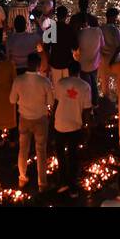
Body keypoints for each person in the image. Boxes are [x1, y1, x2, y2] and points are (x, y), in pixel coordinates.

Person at [9, 52, 54, 193]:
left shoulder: (19, 80)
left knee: (23, 149)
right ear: (39, 65)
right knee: (41, 150)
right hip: (40, 118)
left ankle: (22, 178)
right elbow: (51, 102)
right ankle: (42, 183)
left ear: (27, 64)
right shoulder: (44, 81)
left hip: (24, 118)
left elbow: (12, 100)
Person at [52, 60, 93, 194]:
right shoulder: (85, 86)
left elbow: (56, 103)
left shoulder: (60, 83)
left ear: (68, 70)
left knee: (61, 154)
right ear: (79, 71)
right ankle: (72, 185)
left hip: (60, 124)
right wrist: (87, 127)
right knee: (73, 154)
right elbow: (87, 110)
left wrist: (52, 119)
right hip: (75, 125)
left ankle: (62, 180)